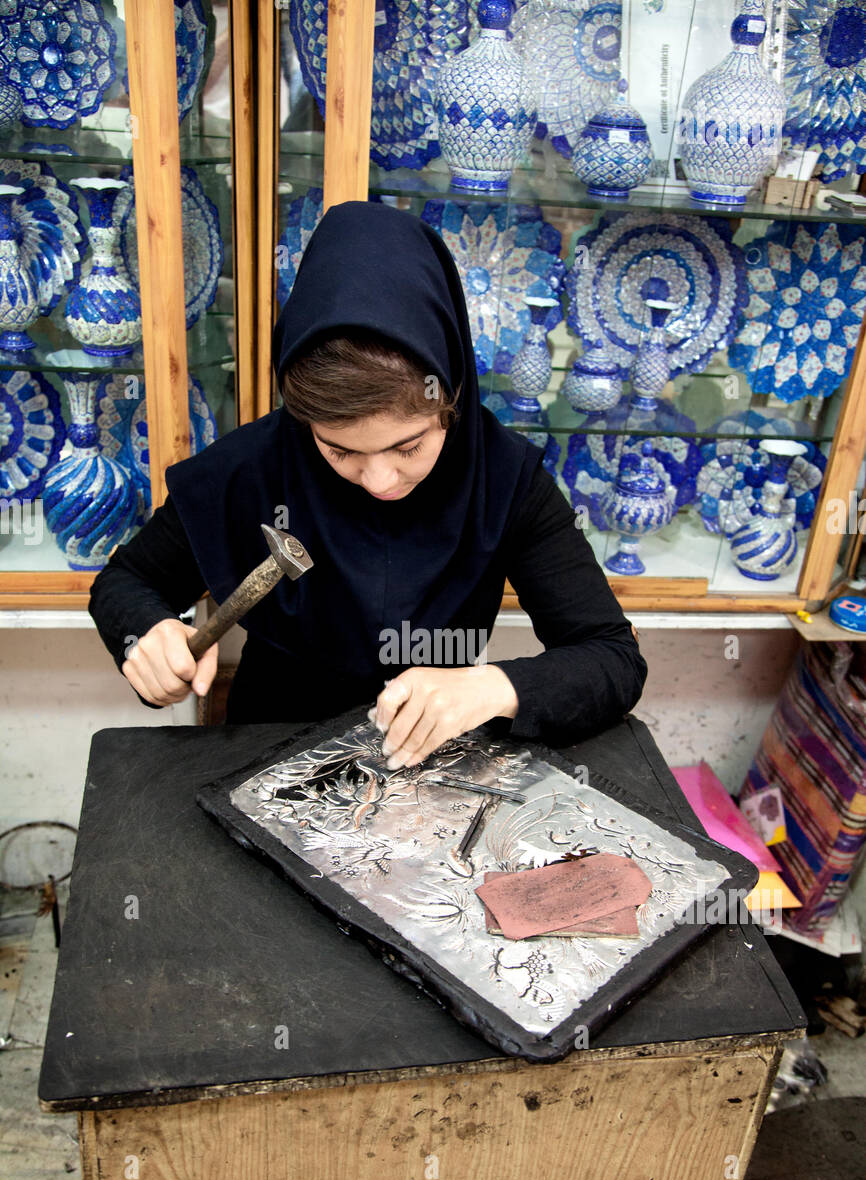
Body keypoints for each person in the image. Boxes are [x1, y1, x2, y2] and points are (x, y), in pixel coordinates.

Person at [89, 200, 647, 766]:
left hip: (434, 765)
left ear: (449, 398)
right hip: (270, 755)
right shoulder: (251, 466)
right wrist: (147, 633)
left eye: (409, 446)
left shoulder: (504, 478)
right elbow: (126, 581)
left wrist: (489, 688)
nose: (379, 480)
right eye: (339, 450)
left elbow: (612, 658)